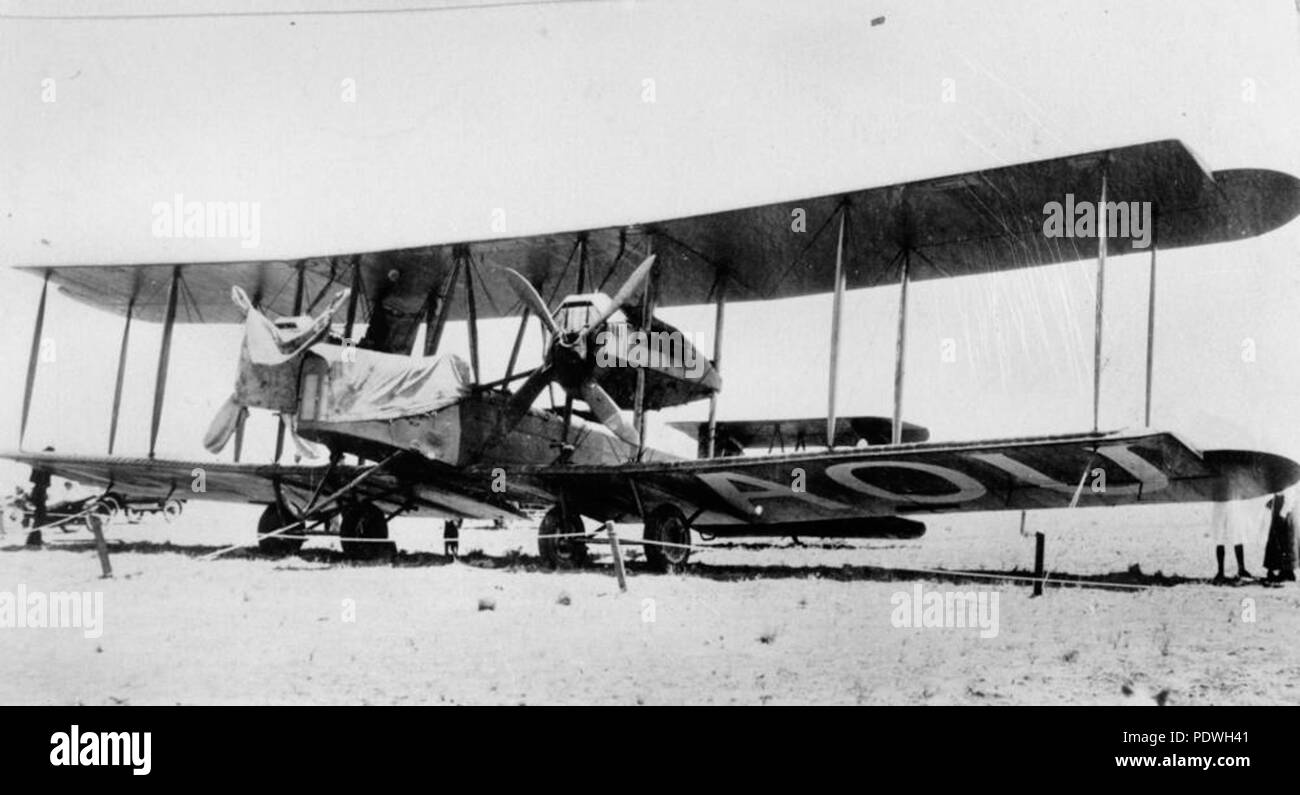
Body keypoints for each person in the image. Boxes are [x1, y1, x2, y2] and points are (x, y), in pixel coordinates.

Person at [1264, 489, 1298, 583]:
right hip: (1279, 511)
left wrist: (1282, 515)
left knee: (1285, 543)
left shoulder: (1287, 482)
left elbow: (1289, 498)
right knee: (1277, 541)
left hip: (1285, 515)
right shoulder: (1282, 481)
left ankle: (1287, 571)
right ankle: (1283, 570)